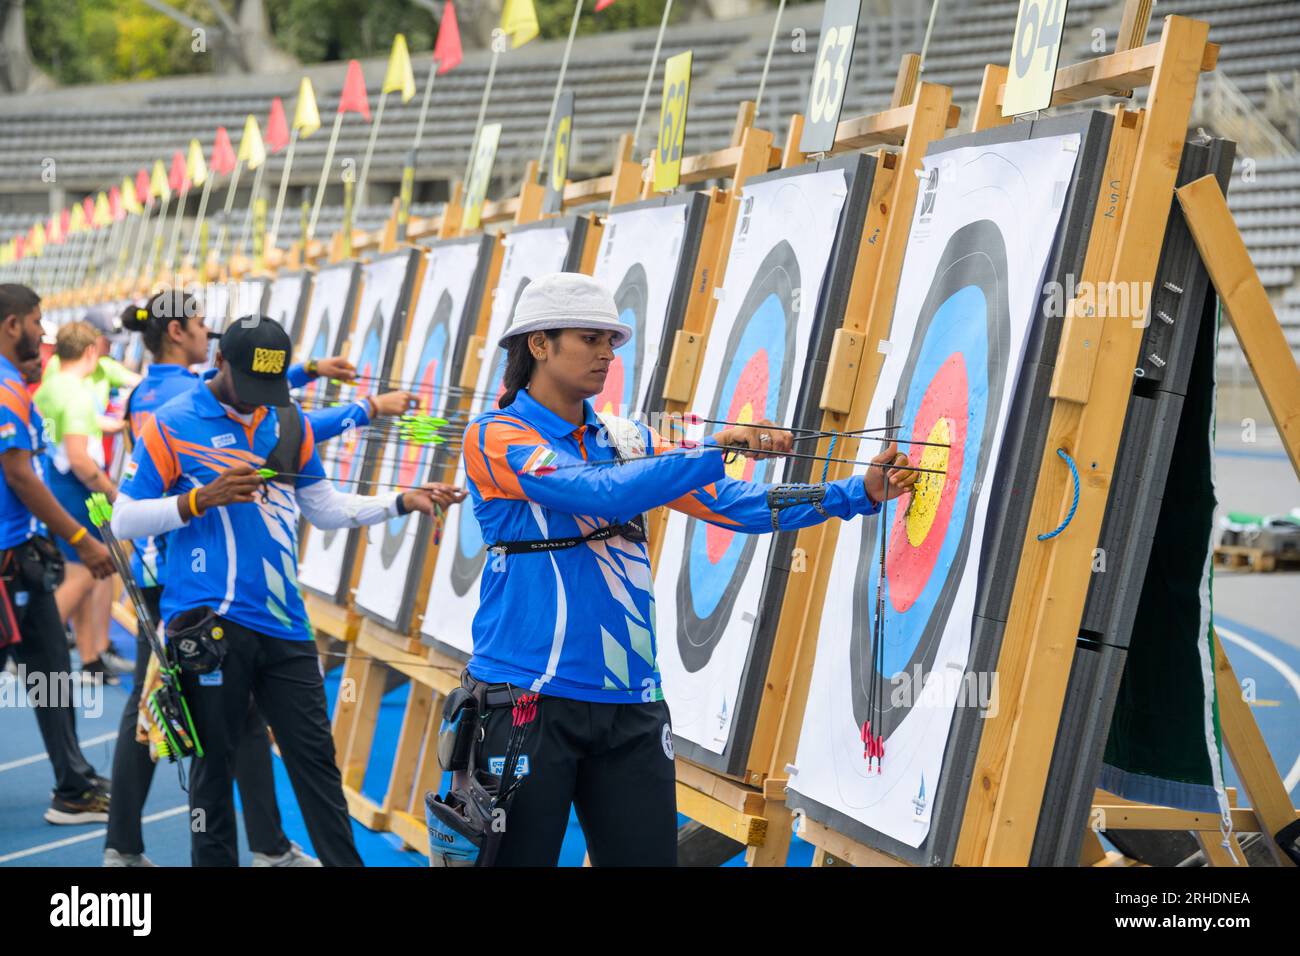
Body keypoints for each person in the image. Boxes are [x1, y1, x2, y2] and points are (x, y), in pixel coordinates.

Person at [444, 273, 917, 866]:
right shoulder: (495, 435)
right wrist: (716, 449)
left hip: (631, 701)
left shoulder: (622, 438)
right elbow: (599, 492)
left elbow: (733, 504)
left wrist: (856, 491)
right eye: (590, 339)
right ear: (539, 344)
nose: (605, 355)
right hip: (525, 699)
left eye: (612, 343)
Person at [111, 314, 464, 866]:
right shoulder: (170, 422)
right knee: (213, 771)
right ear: (219, 362)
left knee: (316, 763)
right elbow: (123, 519)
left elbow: (323, 508)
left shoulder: (286, 418)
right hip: (208, 625)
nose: (257, 403)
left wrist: (399, 500)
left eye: (267, 391)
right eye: (248, 386)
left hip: (284, 624)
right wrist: (199, 500)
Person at [0, 284, 118, 825]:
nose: (41, 335)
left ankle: (74, 784)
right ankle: (73, 787)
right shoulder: (6, 390)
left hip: (17, 557)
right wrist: (81, 539)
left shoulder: (18, 386)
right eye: (35, 323)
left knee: (51, 670)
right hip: (8, 564)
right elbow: (20, 474)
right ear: (11, 325)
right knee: (48, 672)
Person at [34, 321, 123, 686]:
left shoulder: (50, 386)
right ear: (90, 351)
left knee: (87, 573)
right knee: (87, 571)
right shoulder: (75, 391)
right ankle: (32, 649)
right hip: (79, 489)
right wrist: (115, 494)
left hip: (56, 486)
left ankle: (89, 659)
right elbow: (79, 458)